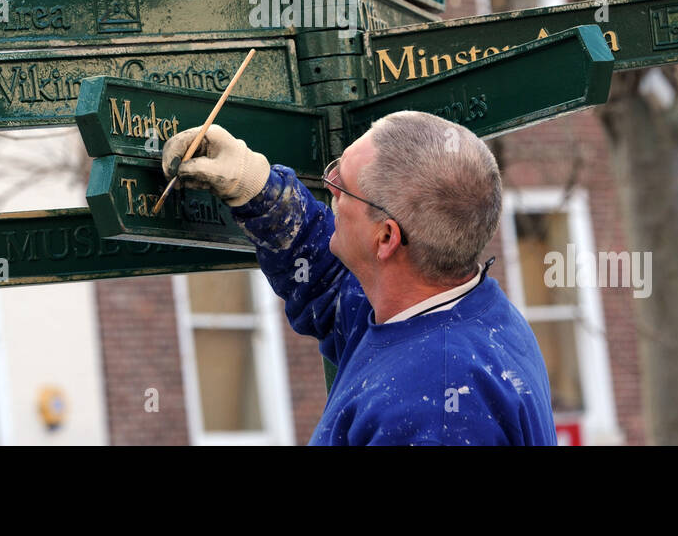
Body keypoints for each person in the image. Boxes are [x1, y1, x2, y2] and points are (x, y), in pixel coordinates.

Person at [162, 109, 558, 446]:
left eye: (341, 186)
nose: (329, 187)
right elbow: (332, 286)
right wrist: (255, 185)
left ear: (385, 237)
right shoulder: (453, 304)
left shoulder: (434, 411)